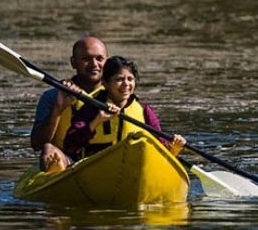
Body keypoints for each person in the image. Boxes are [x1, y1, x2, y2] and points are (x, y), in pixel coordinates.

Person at [57, 56, 186, 162]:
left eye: (130, 79)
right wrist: (97, 120)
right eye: (119, 79)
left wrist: (174, 148)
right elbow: (70, 144)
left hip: (132, 167)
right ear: (105, 83)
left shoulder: (144, 110)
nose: (126, 84)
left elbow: (161, 147)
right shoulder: (91, 107)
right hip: (97, 168)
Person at [30, 37, 107, 172]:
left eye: (100, 59)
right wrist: (59, 109)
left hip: (109, 159)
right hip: (67, 162)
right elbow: (37, 144)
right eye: (86, 59)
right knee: (48, 150)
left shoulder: (120, 95)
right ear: (73, 62)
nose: (94, 64)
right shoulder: (52, 96)